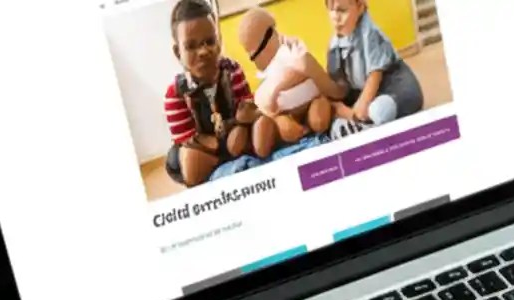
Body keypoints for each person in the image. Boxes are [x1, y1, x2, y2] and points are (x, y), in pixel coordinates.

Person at [162, 0, 268, 186]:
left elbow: (248, 109)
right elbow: (189, 140)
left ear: (219, 41)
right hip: (205, 148)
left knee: (262, 126)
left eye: (210, 41)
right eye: (191, 46)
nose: (203, 51)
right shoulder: (175, 94)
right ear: (178, 52)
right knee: (182, 159)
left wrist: (244, 122)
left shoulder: (233, 70)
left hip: (237, 134)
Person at [237, 7, 342, 156]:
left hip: (312, 101)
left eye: (256, 52)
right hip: (285, 113)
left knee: (319, 120)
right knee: (278, 132)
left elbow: (304, 69)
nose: (255, 59)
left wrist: (278, 88)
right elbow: (266, 106)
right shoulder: (264, 75)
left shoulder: (292, 50)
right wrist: (274, 105)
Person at [325, 0, 424, 128]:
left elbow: (374, 77)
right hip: (365, 90)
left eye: (342, 11)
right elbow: (338, 82)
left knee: (379, 111)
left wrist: (354, 113)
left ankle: (363, 122)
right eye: (331, 10)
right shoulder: (335, 45)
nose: (335, 17)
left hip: (394, 88)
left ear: (360, 7)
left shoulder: (370, 34)